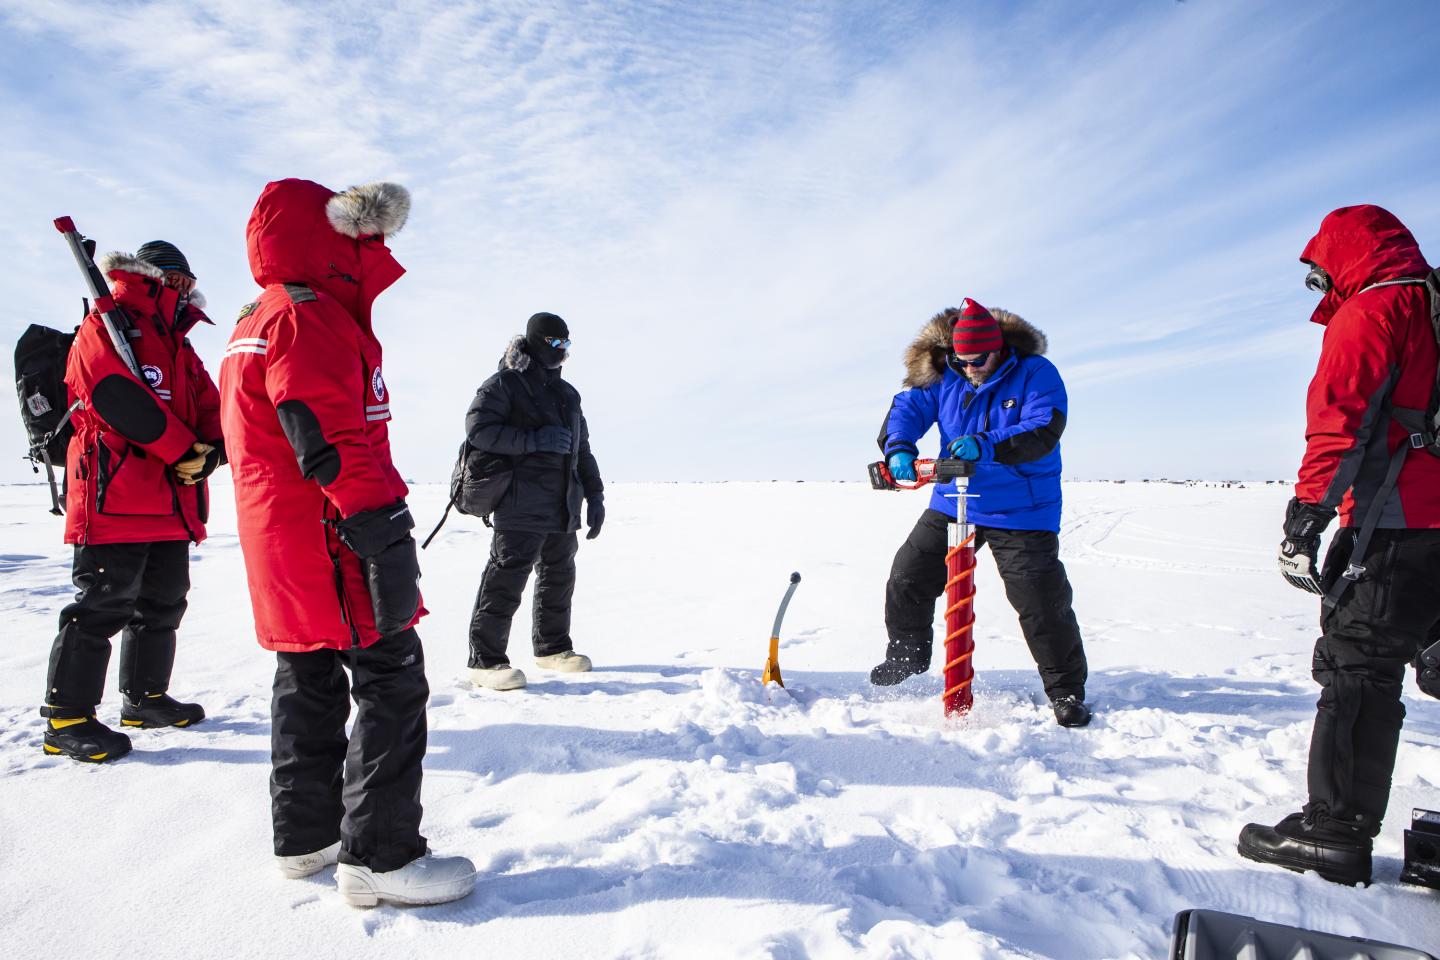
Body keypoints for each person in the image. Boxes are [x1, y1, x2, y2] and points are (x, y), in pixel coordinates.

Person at [218, 178, 474, 907]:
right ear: (324, 239)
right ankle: (382, 858)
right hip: (334, 537)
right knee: (393, 678)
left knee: (308, 679)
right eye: (357, 238)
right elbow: (326, 435)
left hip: (287, 544)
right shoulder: (310, 319)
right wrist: (381, 527)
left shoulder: (258, 319)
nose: (370, 250)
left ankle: (305, 839)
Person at [1239, 205, 1438, 887]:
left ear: (1346, 259)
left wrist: (1308, 515)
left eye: (1319, 275)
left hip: (1397, 523)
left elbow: (1340, 423)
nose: (1320, 291)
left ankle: (1335, 833)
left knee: (1359, 664)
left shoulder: (1374, 312)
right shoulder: (1436, 305)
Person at [40, 241, 223, 763]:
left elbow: (209, 404)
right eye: (175, 278)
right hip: (115, 495)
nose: (185, 288)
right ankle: (66, 717)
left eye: (189, 280)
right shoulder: (107, 325)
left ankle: (144, 699)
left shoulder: (179, 343)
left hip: (172, 497)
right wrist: (181, 448)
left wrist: (212, 452)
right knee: (102, 605)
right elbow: (112, 396)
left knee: (163, 602)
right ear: (149, 275)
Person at [871, 298, 1091, 728]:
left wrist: (986, 444)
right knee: (908, 575)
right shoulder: (944, 375)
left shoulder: (1035, 374)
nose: (970, 367)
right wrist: (898, 447)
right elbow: (908, 409)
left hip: (1022, 506)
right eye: (962, 359)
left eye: (979, 360)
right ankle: (908, 656)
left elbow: (1042, 428)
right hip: (955, 500)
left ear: (999, 349)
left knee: (1040, 599)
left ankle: (1065, 689)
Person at [465, 312, 604, 691]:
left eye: (567, 344)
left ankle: (552, 649)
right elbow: (479, 430)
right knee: (506, 579)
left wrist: (595, 495)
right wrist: (535, 440)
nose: (563, 351)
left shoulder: (566, 394)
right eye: (557, 344)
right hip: (518, 502)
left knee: (559, 578)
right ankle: (485, 660)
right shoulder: (504, 385)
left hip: (562, 504)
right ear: (538, 341)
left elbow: (583, 450)